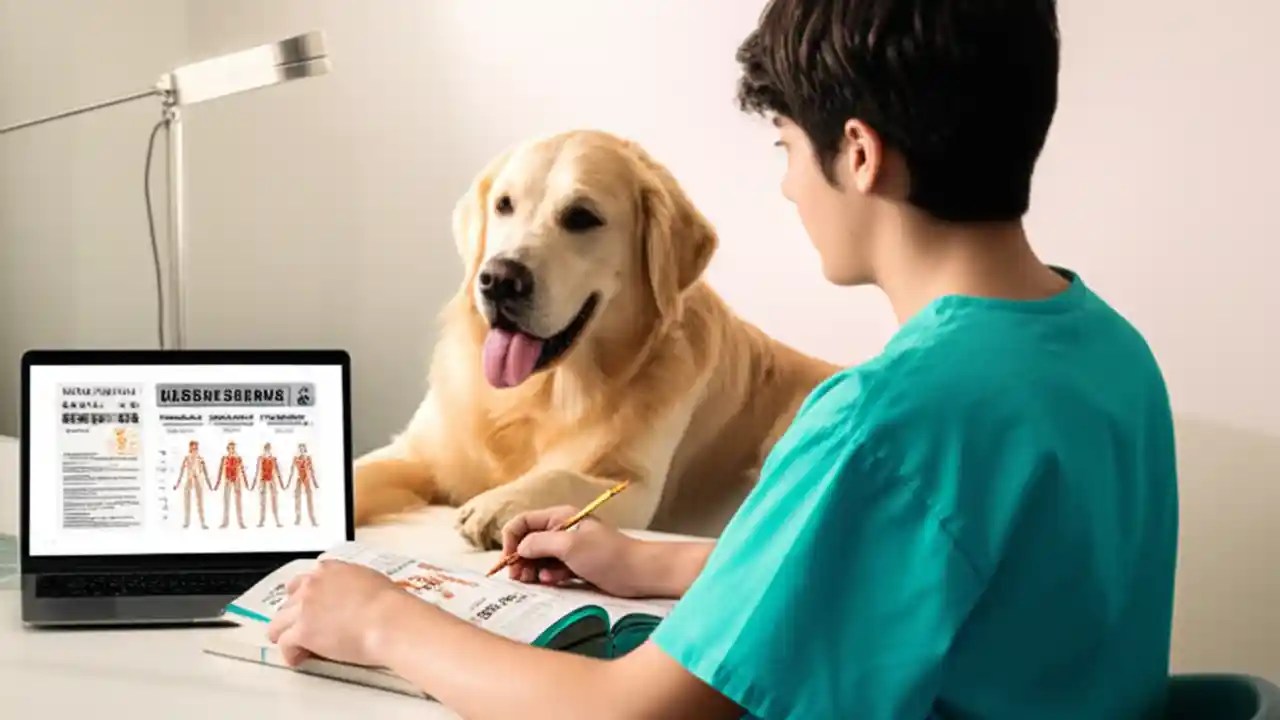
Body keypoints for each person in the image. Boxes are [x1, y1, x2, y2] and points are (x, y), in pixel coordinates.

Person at [265, 0, 1178, 717]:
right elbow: (946, 584)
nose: (786, 185)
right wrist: (655, 564)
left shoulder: (884, 424)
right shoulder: (1107, 351)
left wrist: (381, 621)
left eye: (786, 148)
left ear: (857, 154)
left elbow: (630, 711)